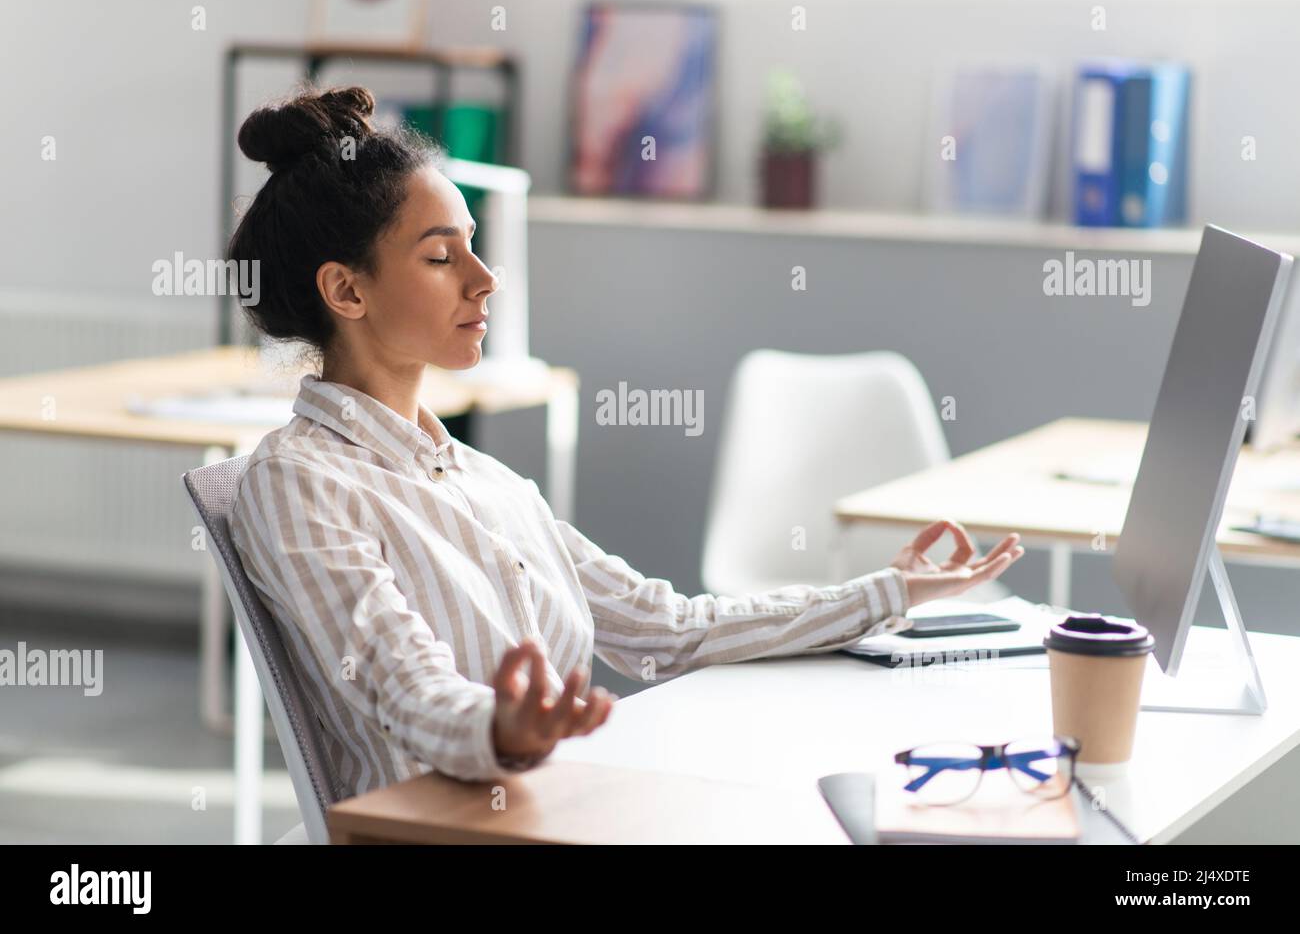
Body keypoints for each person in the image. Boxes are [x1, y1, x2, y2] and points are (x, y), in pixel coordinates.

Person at [226, 85, 1025, 798]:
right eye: (441, 255)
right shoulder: (300, 480)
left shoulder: (484, 481)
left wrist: (890, 590)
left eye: (474, 242)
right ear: (346, 288)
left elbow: (668, 627)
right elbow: (401, 691)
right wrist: (502, 728)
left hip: (555, 803)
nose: (484, 276)